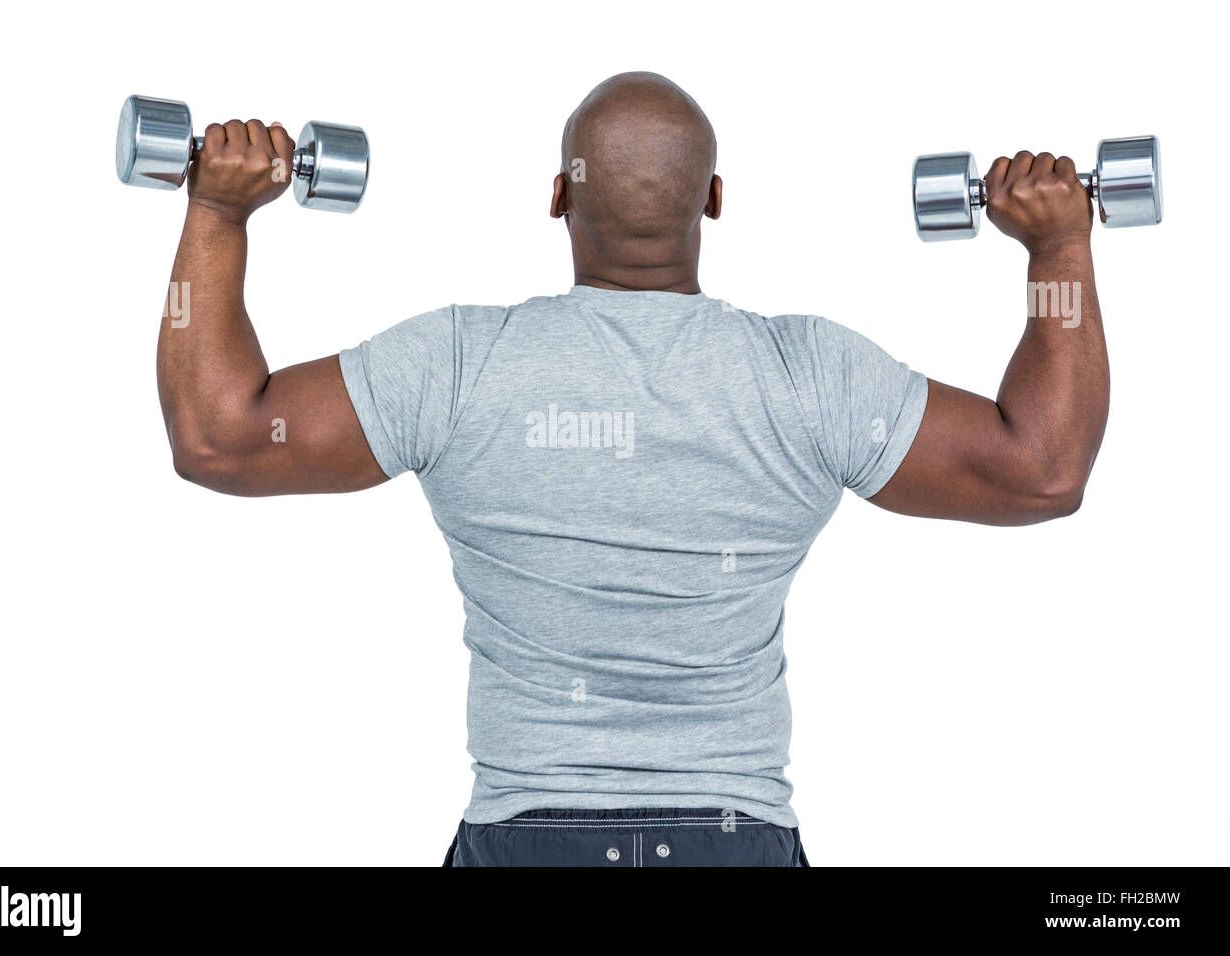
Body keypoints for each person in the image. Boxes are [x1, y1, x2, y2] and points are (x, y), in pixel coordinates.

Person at [156, 72, 1105, 866]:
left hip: (530, 834)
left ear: (558, 197)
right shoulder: (810, 374)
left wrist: (216, 210)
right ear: (715, 200)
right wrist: (1058, 246)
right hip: (734, 833)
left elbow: (220, 437)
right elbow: (1043, 469)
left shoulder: (455, 365)